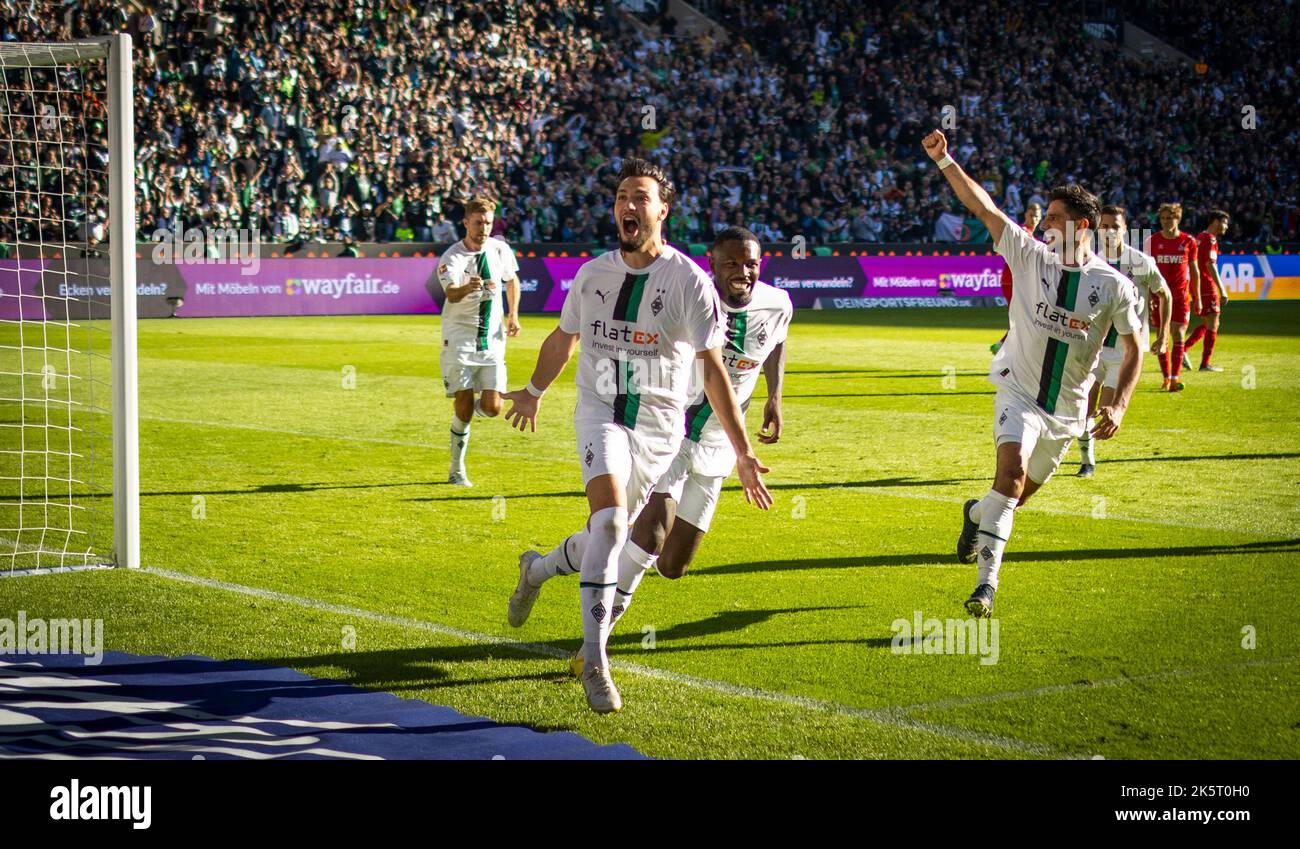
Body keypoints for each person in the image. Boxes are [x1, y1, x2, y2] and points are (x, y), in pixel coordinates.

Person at [500, 159, 773, 713]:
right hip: (599, 410)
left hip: (659, 426)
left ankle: (537, 568)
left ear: (662, 210)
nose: (628, 205)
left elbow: (714, 368)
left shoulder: (689, 282)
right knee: (611, 522)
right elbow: (563, 337)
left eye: (640, 196)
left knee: (609, 537)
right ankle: (596, 661)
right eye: (622, 195)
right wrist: (532, 390)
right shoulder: (593, 274)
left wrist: (743, 450)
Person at [922, 129, 1143, 618]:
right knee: (1011, 474)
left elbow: (1134, 348)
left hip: (1067, 412)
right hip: (1017, 392)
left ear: (1081, 225)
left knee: (1014, 497)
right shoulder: (1028, 255)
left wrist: (1119, 403)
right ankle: (986, 587)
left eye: (1057, 217)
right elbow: (984, 208)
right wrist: (944, 160)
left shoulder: (1113, 286)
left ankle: (974, 514)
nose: (1046, 223)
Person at [568, 225, 792, 678]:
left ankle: (569, 557)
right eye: (731, 263)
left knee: (673, 565)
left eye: (750, 263)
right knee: (649, 533)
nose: (742, 272)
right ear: (712, 263)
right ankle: (596, 644)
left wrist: (774, 397)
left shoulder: (778, 303)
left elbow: (777, 342)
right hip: (670, 430)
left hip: (718, 443)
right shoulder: (690, 296)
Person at [1077, 205, 1170, 477]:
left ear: (1125, 230)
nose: (1109, 232)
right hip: (1093, 348)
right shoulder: (1090, 261)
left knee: (1104, 410)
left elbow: (1165, 294)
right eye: (1104, 226)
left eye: (1114, 227)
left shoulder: (1140, 262)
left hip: (1125, 353)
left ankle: (1088, 460)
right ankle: (1087, 462)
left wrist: (1163, 333)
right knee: (1083, 405)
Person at [436, 197, 521, 487]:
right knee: (463, 407)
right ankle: (456, 470)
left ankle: (468, 403)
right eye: (478, 223)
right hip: (459, 338)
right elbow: (451, 295)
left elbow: (512, 280)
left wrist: (514, 315)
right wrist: (465, 288)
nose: (483, 228)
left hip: (492, 340)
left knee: (494, 407)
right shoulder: (453, 257)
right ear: (466, 223)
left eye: (487, 223)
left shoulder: (500, 249)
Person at [1145, 203, 1201, 391]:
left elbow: (1194, 272)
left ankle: (1175, 378)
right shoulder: (1152, 242)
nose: (1167, 221)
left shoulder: (1188, 242)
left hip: (1181, 297)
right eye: (1163, 218)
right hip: (1158, 297)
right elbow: (1145, 272)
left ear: (1178, 219)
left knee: (1178, 333)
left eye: (1171, 218)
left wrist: (1197, 297)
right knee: (1163, 335)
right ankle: (1167, 377)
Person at [991, 203, 1041, 354]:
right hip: (1012, 279)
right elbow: (998, 247)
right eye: (1031, 215)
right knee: (1024, 315)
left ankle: (1004, 345)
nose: (1034, 219)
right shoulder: (1022, 231)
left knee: (1026, 315)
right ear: (1026, 214)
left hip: (1021, 280)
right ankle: (1005, 346)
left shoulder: (1033, 237)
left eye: (1037, 216)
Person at [1184, 209, 1230, 372]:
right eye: (1225, 222)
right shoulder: (1210, 239)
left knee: (1207, 323)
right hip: (1207, 286)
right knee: (1213, 323)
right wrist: (1222, 289)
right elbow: (1210, 265)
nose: (1226, 226)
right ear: (1215, 222)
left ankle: (1183, 349)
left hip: (1196, 284)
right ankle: (1204, 363)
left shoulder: (1199, 238)